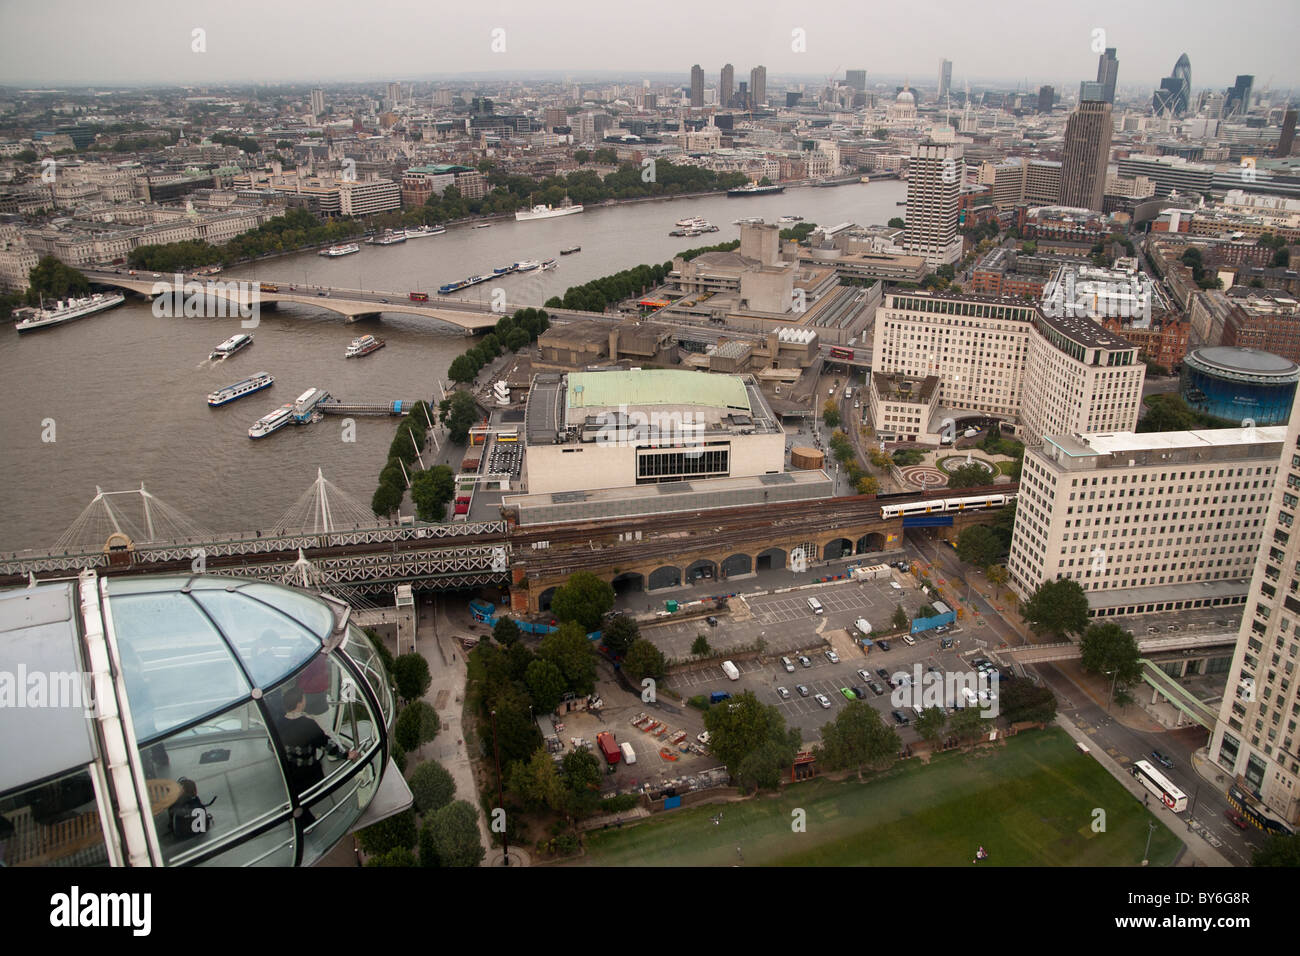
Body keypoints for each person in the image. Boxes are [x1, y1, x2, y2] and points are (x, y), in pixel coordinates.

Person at [274, 685, 359, 822]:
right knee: (309, 794)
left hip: (288, 768)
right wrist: (346, 755)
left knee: (297, 793)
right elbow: (326, 744)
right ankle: (302, 821)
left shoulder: (278, 723)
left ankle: (295, 812)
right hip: (308, 771)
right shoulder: (307, 724)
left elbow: (272, 745)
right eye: (303, 699)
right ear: (299, 704)